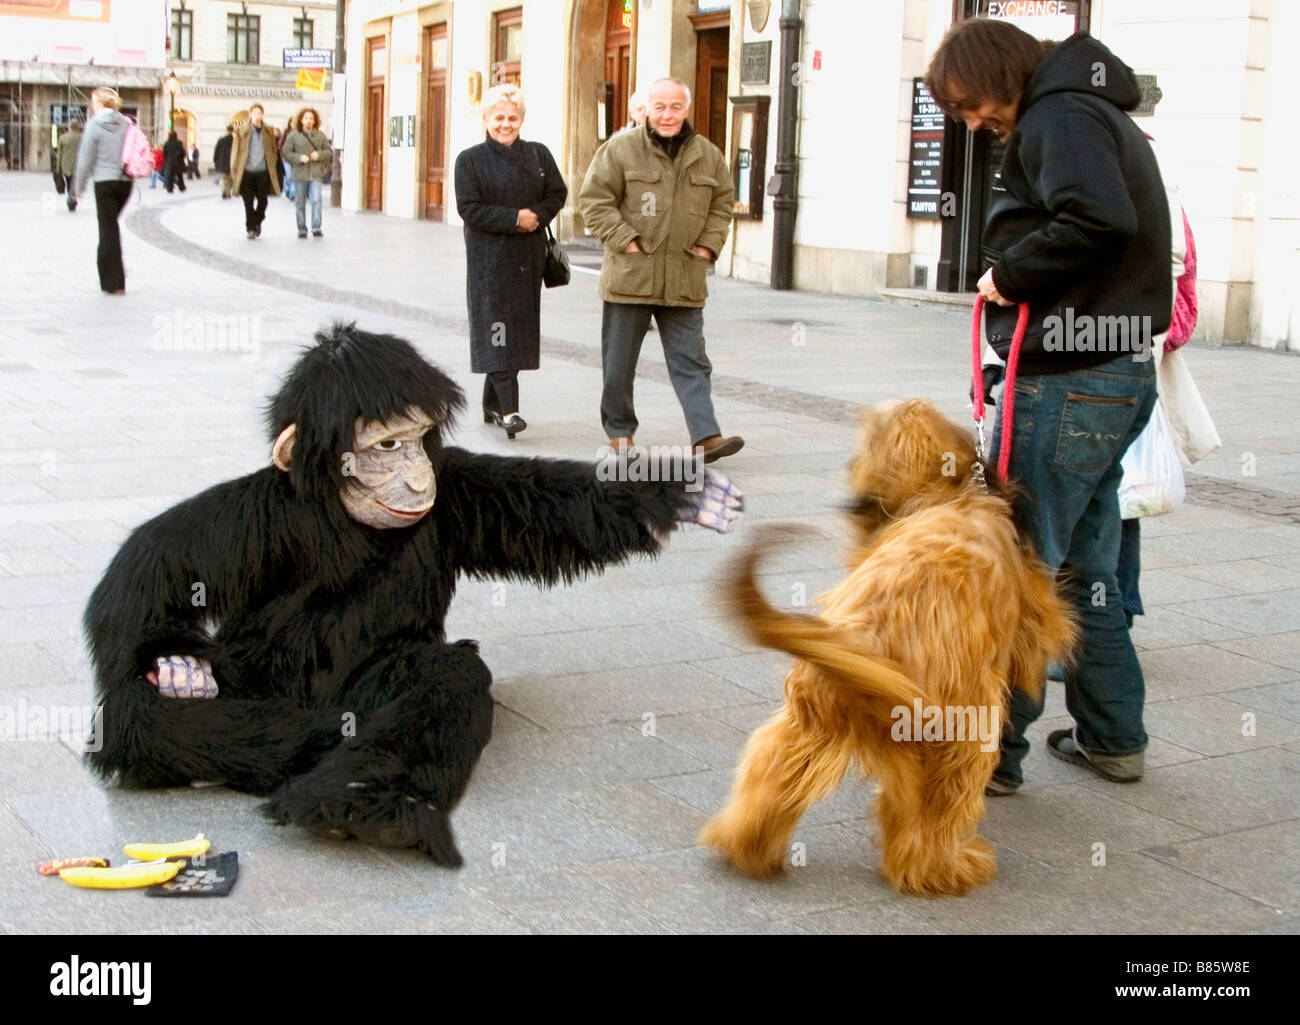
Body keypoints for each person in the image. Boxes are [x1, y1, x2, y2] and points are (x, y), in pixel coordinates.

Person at [925, 20, 1172, 791]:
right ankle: (1112, 736)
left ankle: (989, 757)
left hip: (1068, 375)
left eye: (970, 106)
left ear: (1000, 73)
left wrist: (1014, 273)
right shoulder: (1085, 106)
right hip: (1113, 368)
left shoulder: (1059, 115)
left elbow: (1099, 218)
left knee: (1021, 570)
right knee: (1083, 571)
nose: (972, 123)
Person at [578, 77, 743, 462]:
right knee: (619, 363)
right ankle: (620, 434)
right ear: (647, 110)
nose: (667, 115)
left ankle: (706, 436)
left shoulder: (708, 155)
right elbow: (595, 201)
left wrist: (708, 245)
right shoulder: (620, 149)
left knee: (693, 362)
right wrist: (627, 240)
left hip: (685, 277)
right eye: (660, 107)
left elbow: (722, 203)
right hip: (631, 276)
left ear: (686, 109)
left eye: (674, 107)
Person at [453, 85, 567, 438]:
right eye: (498, 117)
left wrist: (537, 215)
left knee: (513, 330)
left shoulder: (538, 155)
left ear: (521, 120)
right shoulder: (469, 160)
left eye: (512, 118)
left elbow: (557, 193)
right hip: (490, 260)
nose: (506, 124)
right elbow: (469, 209)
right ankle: (510, 410)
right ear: (486, 119)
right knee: (496, 328)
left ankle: (491, 402)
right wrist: (514, 219)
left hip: (527, 259)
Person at [73, 87, 134, 295]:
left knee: (108, 229)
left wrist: (78, 187)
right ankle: (108, 277)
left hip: (104, 181)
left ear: (99, 103)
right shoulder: (126, 123)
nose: (92, 105)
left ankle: (115, 283)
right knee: (110, 227)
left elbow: (85, 159)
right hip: (126, 181)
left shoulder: (95, 124)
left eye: (93, 101)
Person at [230, 103, 281, 240]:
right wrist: (234, 169)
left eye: (260, 113)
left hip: (263, 171)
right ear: (250, 114)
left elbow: (273, 150)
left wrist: (273, 163)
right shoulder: (242, 131)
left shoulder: (268, 131)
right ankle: (250, 228)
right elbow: (235, 151)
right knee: (248, 201)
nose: (257, 116)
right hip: (246, 171)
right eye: (255, 113)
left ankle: (257, 221)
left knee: (263, 201)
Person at [281, 108, 331, 238]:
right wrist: (298, 158)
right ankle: (301, 228)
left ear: (315, 121)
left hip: (315, 173)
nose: (309, 121)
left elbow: (329, 152)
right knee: (300, 202)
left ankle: (316, 227)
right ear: (301, 120)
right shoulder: (293, 135)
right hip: (300, 173)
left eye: (311, 118)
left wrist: (318, 155)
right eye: (306, 118)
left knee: (316, 200)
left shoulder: (320, 136)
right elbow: (286, 151)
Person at [58, 120, 82, 211]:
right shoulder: (82, 138)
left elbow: (59, 155)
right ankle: (71, 199)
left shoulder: (63, 138)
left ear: (70, 127)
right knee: (74, 183)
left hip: (66, 165)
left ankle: (71, 198)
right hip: (79, 165)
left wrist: (58, 168)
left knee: (69, 183)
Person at [213, 123, 234, 199]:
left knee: (223, 178)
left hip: (222, 162)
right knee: (230, 178)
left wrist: (215, 160)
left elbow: (216, 151)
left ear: (227, 130)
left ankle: (223, 191)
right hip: (231, 162)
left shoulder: (221, 140)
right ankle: (228, 192)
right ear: (233, 131)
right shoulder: (234, 140)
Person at [281, 117, 297, 201]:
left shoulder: (300, 132)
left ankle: (292, 194)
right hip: (286, 159)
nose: (294, 123)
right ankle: (286, 189)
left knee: (294, 176)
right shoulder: (286, 132)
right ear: (290, 123)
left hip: (296, 159)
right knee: (289, 176)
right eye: (293, 122)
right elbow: (280, 144)